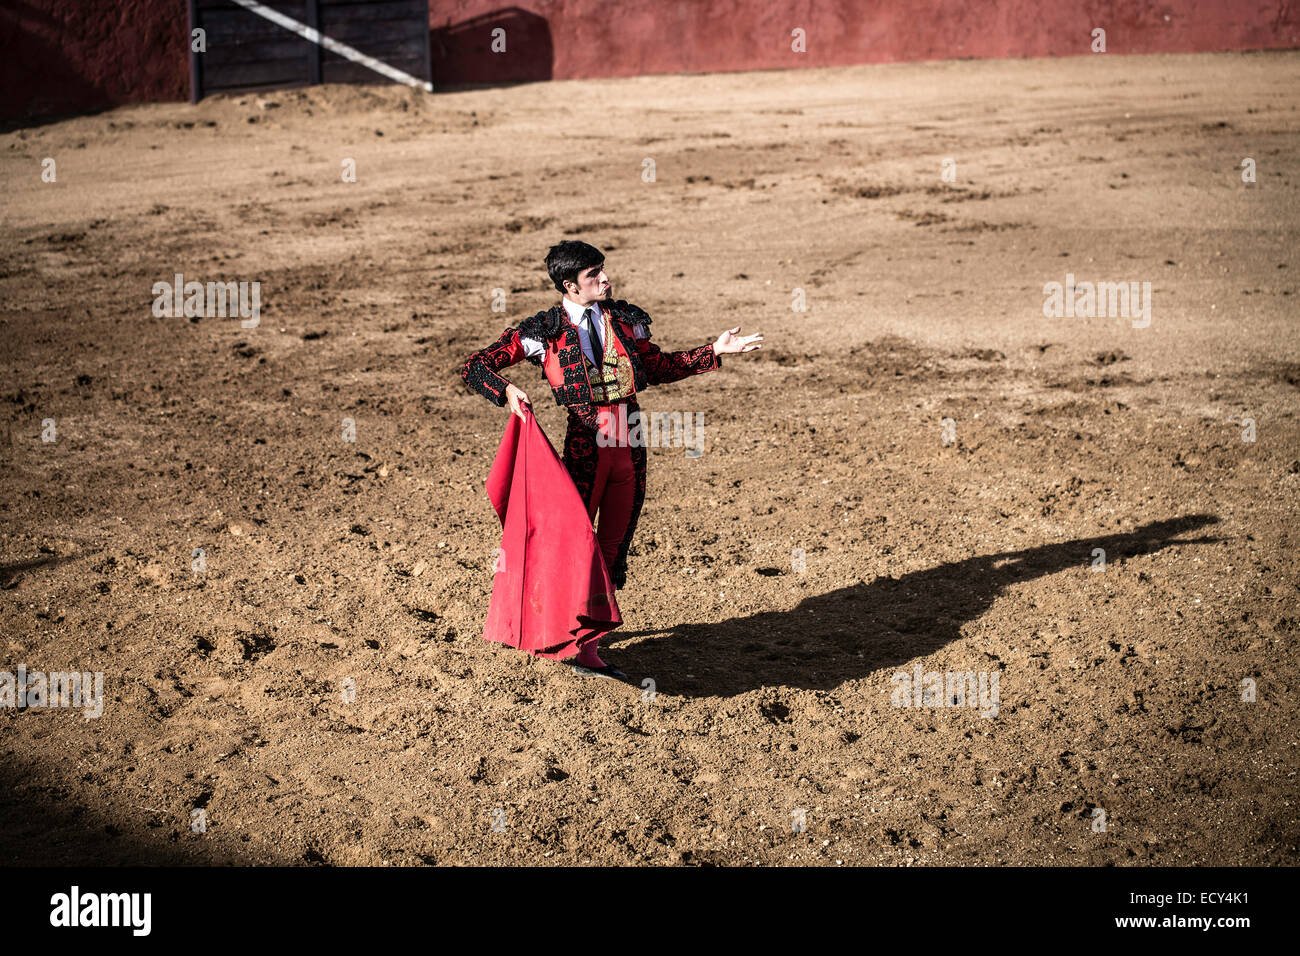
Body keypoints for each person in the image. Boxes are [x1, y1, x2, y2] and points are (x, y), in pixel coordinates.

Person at [461, 240, 762, 677]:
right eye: (593, 275)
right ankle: (578, 643)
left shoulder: (624, 319)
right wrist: (507, 391)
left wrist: (713, 352)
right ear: (570, 285)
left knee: (614, 544)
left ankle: (589, 641)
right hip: (585, 442)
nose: (605, 279)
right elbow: (476, 365)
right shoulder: (543, 330)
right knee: (577, 544)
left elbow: (656, 368)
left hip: (631, 440)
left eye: (603, 270)